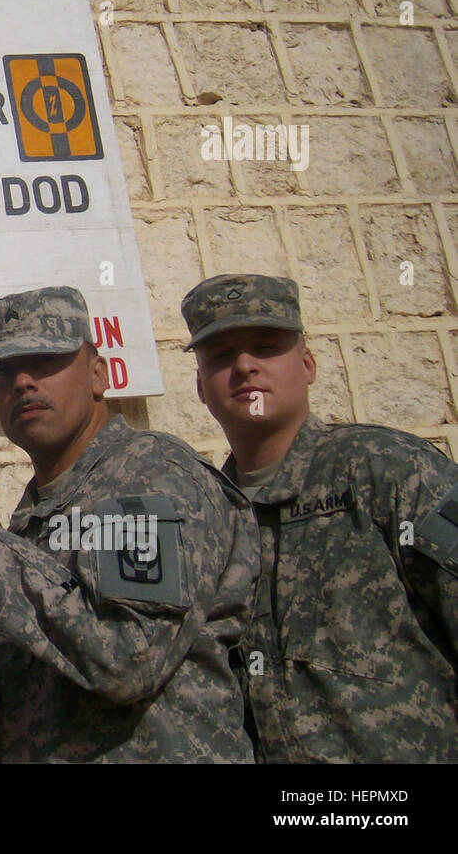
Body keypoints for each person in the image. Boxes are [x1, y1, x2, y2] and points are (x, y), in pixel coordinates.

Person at [0, 286, 257, 762]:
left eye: (45, 361)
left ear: (98, 374)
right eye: (3, 373)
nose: (22, 382)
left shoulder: (150, 473)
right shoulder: (34, 518)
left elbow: (129, 658)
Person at [182, 272, 458, 762]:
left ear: (307, 365)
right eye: (221, 357)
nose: (245, 366)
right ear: (201, 388)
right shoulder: (208, 516)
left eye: (266, 347)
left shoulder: (387, 469)